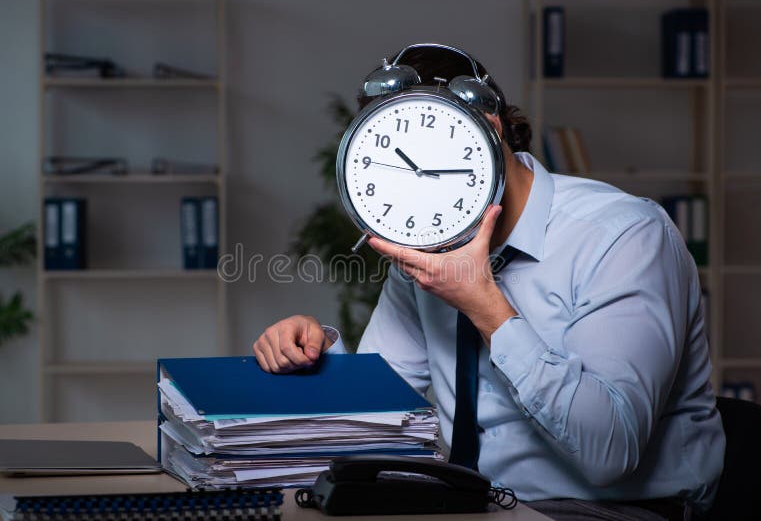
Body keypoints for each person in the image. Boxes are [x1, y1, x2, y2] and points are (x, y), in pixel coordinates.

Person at [252, 45, 724, 520]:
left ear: (489, 129)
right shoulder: (427, 245)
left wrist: (485, 307)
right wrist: (312, 354)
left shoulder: (623, 236)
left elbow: (611, 453)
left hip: (617, 509)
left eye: (434, 167)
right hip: (478, 507)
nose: (419, 195)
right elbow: (377, 419)